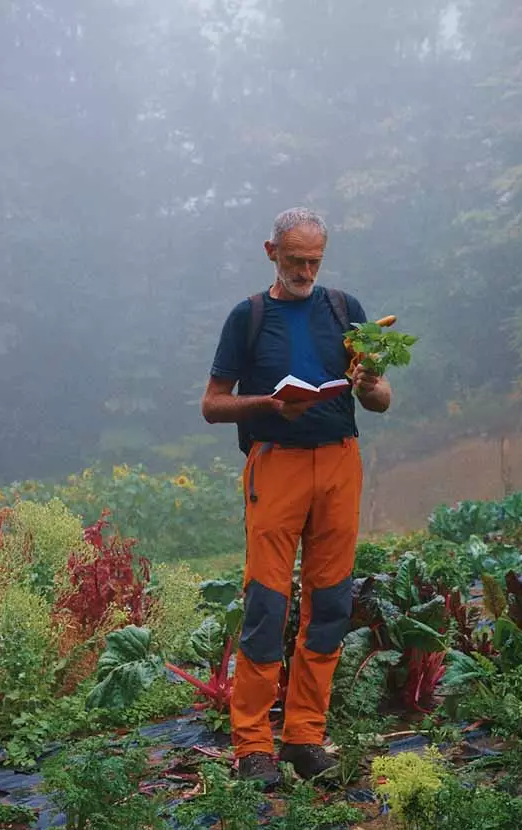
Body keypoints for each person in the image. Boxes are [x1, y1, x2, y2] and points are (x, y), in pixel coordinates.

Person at [201, 207, 391, 786]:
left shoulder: (345, 309)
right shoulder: (249, 316)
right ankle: (252, 745)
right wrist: (268, 404)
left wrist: (368, 382)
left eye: (314, 260)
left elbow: (380, 399)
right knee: (265, 601)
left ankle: (305, 738)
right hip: (275, 466)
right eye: (295, 260)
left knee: (331, 601)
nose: (305, 270)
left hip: (339, 461)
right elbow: (213, 404)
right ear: (270, 253)